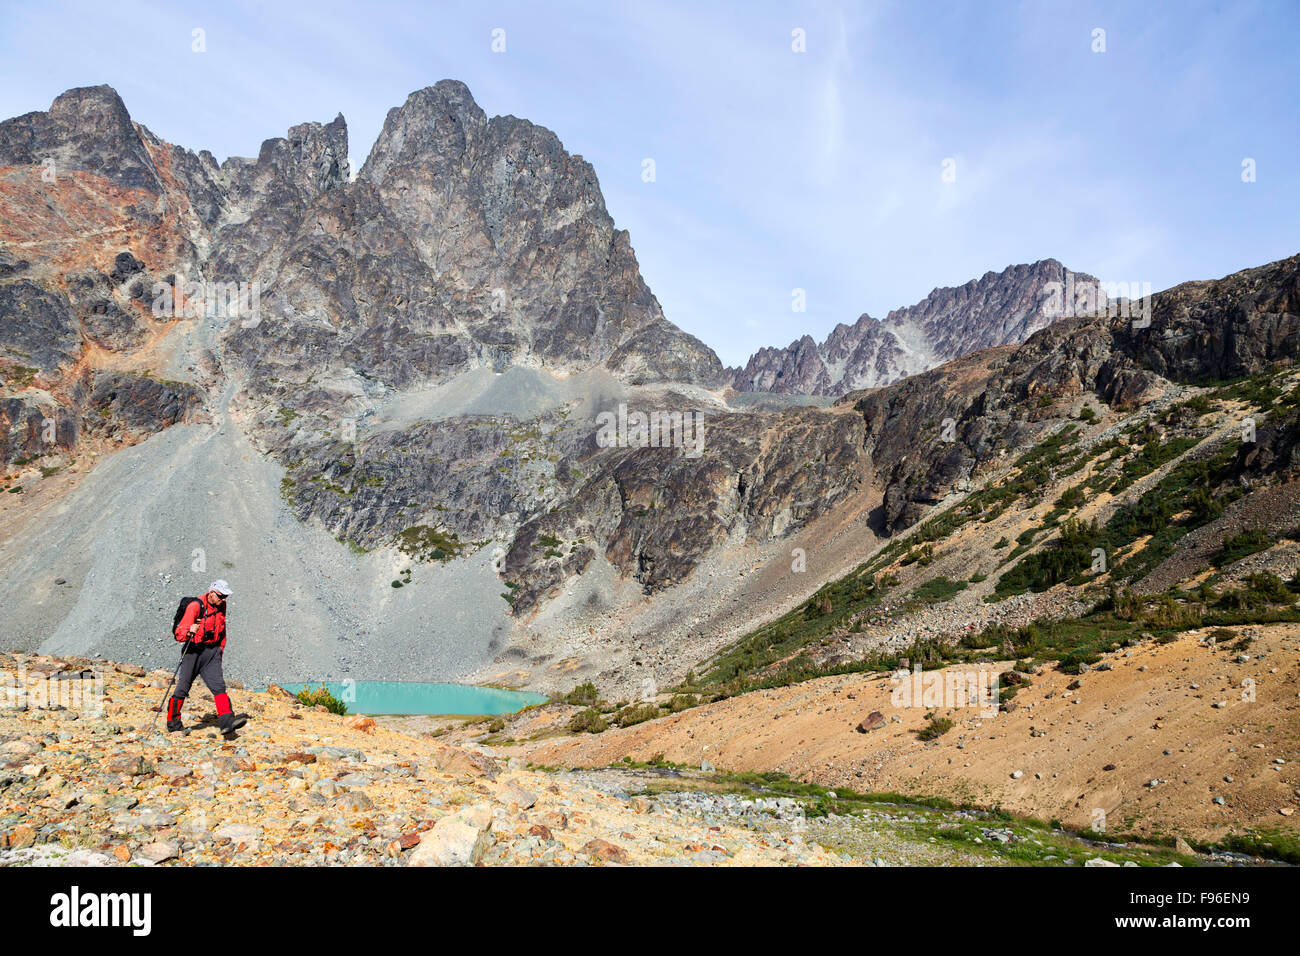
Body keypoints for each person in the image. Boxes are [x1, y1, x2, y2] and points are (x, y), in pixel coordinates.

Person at [165, 580, 248, 738]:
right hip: (193, 652)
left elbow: (222, 631)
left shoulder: (221, 605)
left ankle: (227, 724)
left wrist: (219, 652)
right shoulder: (195, 606)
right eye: (221, 596)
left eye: (226, 597)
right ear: (211, 593)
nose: (223, 599)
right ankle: (173, 723)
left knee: (219, 687)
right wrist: (190, 631)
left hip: (212, 652)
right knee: (183, 688)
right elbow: (179, 634)